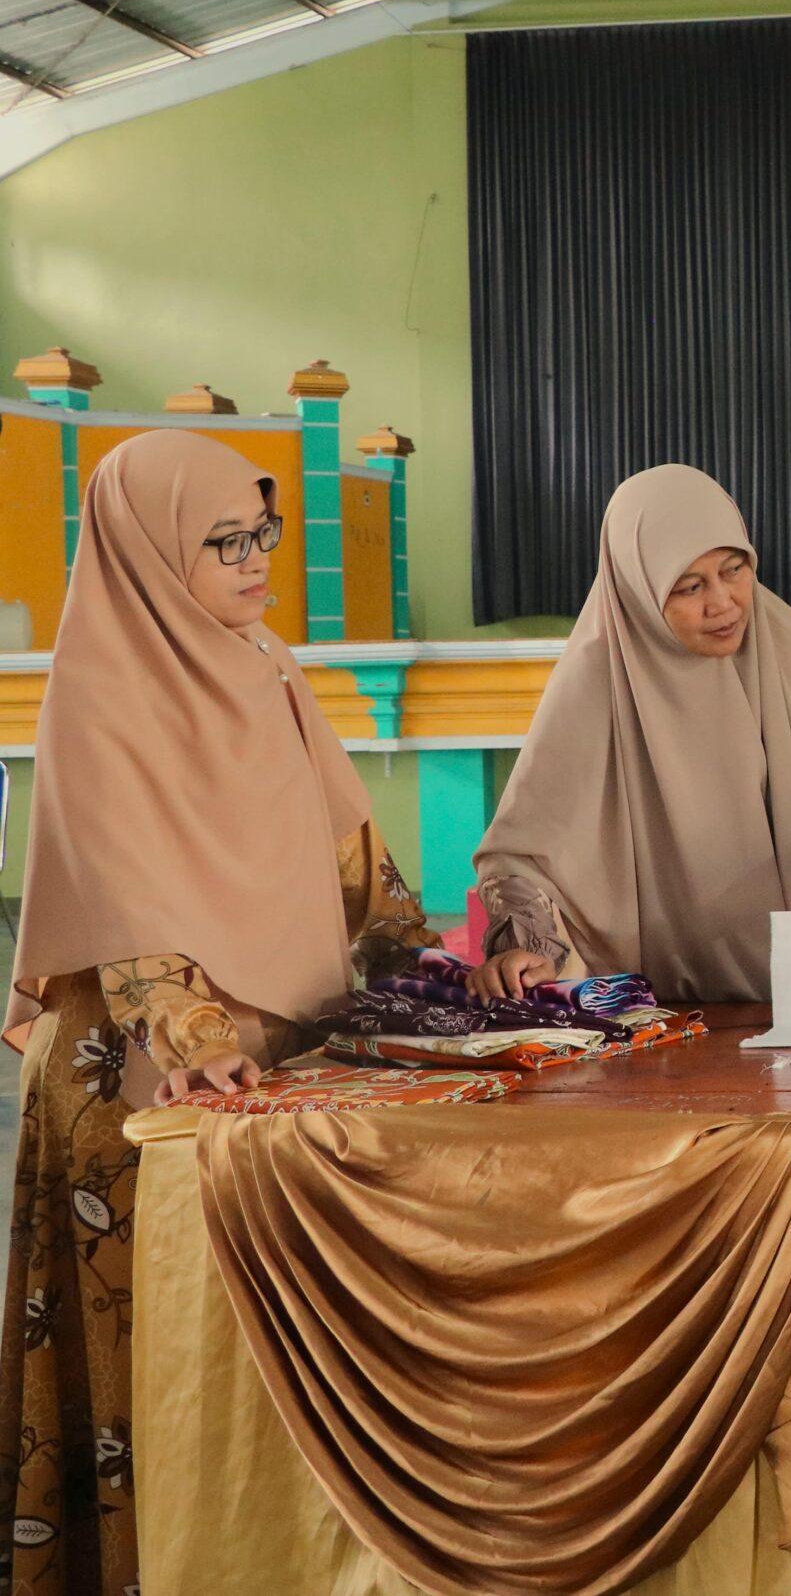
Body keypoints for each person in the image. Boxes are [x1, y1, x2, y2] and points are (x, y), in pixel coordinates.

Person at [0, 432, 437, 1594]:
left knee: (267, 1379)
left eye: (262, 535)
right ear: (148, 552)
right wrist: (192, 1036)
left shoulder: (265, 665)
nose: (255, 562)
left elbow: (351, 856)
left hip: (280, 1068)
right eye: (222, 542)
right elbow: (127, 897)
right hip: (145, 1083)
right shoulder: (101, 694)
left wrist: (424, 970)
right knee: (160, 1367)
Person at [471, 464, 791, 1003]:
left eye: (734, 570)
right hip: (663, 1014)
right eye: (690, 587)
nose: (723, 603)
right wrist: (526, 948)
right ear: (639, 590)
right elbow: (520, 857)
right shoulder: (597, 681)